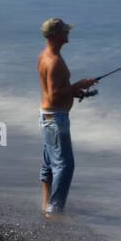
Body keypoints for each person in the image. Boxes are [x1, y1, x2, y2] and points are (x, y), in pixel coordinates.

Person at [37, 17, 97, 218]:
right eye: (65, 31)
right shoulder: (54, 62)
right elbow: (54, 94)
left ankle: (47, 204)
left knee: (49, 162)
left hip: (47, 116)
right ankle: (54, 210)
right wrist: (78, 85)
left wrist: (73, 92)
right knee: (65, 164)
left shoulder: (44, 56)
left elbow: (53, 91)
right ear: (55, 35)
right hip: (56, 119)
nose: (68, 33)